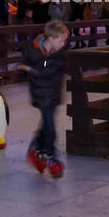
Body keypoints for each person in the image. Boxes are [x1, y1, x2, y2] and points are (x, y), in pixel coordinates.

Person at [18, 19, 70, 175]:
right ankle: (50, 155)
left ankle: (36, 148)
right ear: (51, 38)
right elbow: (23, 67)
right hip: (40, 94)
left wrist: (32, 71)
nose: (63, 44)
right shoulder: (33, 51)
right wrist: (23, 70)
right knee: (50, 126)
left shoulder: (59, 55)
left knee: (46, 124)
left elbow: (50, 72)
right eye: (61, 40)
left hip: (53, 93)